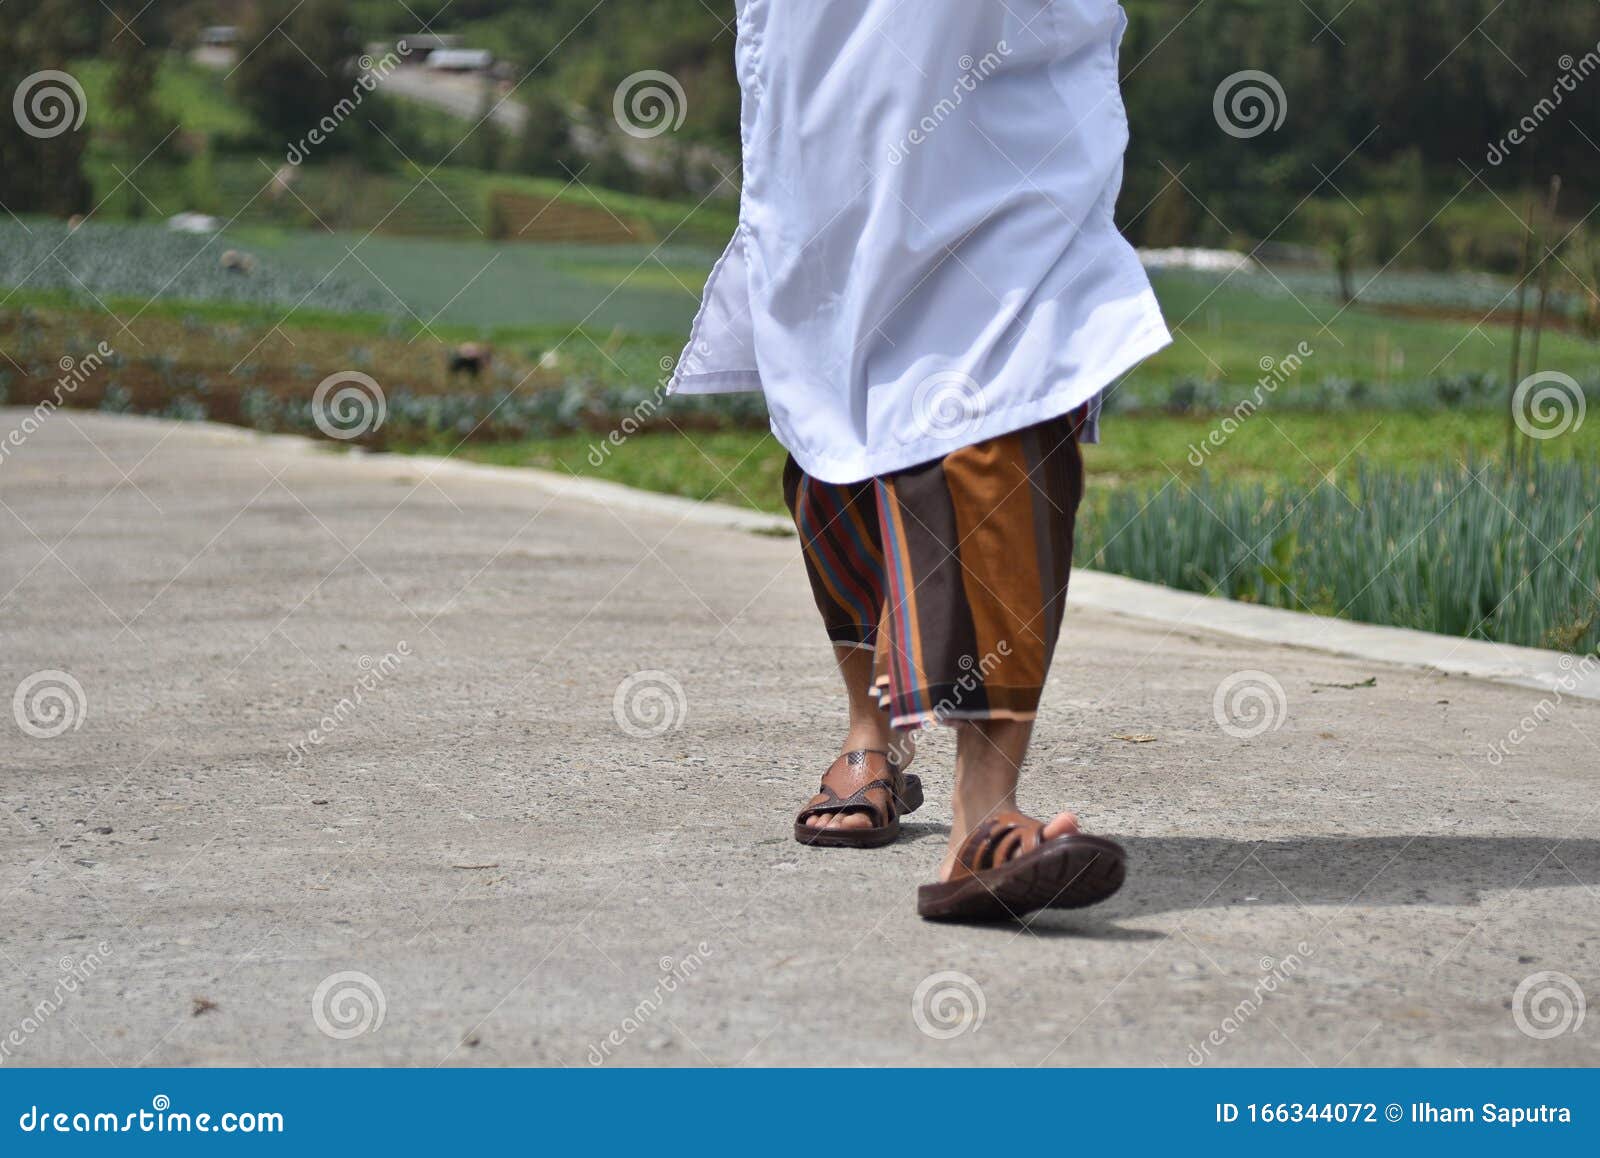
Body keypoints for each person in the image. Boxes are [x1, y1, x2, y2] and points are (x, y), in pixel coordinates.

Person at [670, 0, 1171, 921]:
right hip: (836, 87)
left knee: (1012, 414)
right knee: (843, 426)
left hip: (1014, 88)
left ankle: (983, 819)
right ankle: (872, 731)